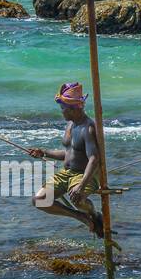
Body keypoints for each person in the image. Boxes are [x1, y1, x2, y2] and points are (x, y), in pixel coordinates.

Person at [27, 82, 105, 238]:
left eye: (63, 109)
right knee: (39, 200)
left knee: (78, 199)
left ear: (74, 109)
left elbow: (94, 159)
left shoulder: (87, 128)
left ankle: (94, 214)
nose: (62, 112)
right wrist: (43, 152)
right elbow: (69, 154)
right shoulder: (70, 125)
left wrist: (81, 185)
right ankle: (80, 216)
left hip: (83, 175)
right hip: (65, 173)